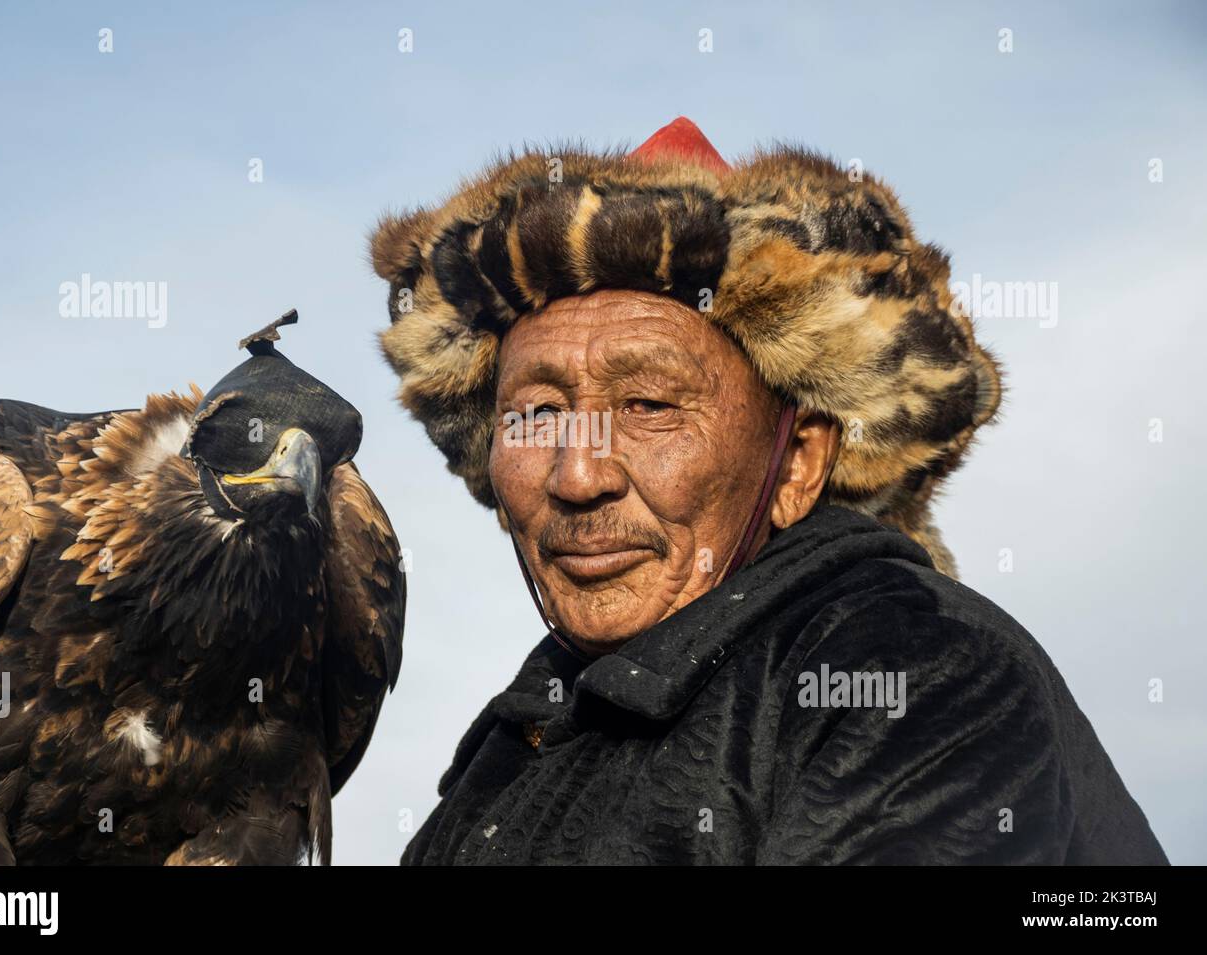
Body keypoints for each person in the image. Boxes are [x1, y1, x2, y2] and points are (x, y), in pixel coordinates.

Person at [370, 118, 1167, 865]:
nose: (577, 476)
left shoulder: (916, 672)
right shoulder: (513, 748)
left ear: (798, 465)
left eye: (648, 406)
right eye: (535, 414)